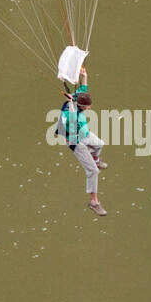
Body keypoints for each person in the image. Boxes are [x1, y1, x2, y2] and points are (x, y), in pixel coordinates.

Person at [59, 66, 108, 215]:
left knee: (99, 144)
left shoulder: (76, 97)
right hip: (75, 140)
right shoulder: (69, 114)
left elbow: (83, 89)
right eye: (87, 106)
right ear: (80, 106)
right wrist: (73, 107)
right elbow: (72, 124)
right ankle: (94, 202)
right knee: (92, 170)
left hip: (84, 133)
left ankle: (96, 159)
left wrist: (84, 76)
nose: (90, 107)